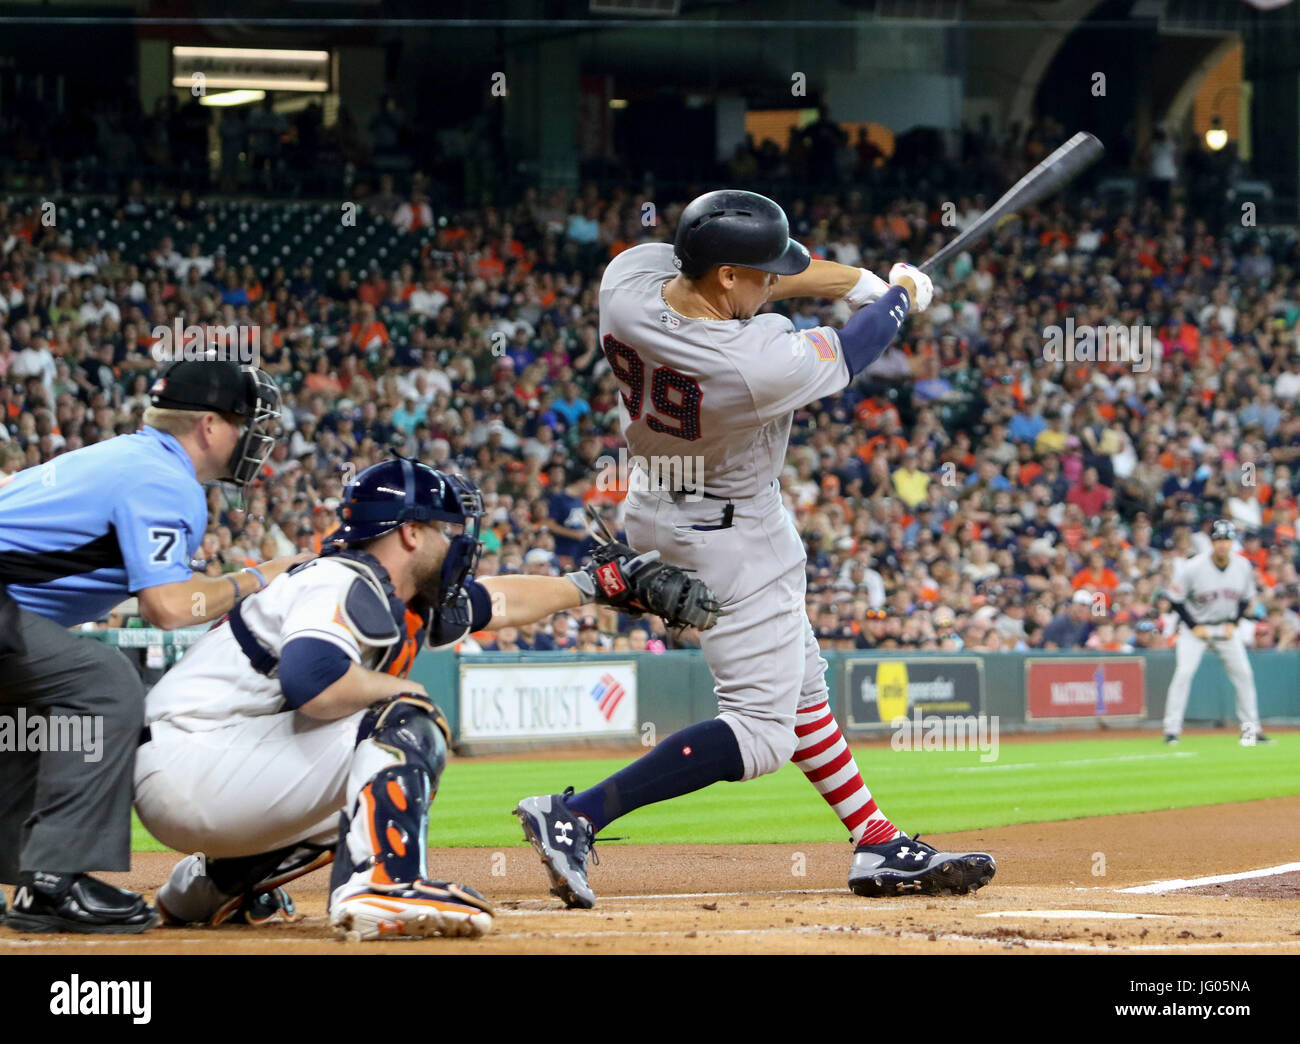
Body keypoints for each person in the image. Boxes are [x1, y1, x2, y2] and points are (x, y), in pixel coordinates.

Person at [514, 189, 995, 909]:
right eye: (761, 274)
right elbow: (855, 349)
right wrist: (895, 300)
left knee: (800, 688)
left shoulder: (627, 282)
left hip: (654, 501)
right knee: (764, 732)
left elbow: (761, 280)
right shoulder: (752, 362)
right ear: (728, 277)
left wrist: (863, 281)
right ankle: (577, 815)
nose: (774, 284)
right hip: (731, 531)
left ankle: (876, 840)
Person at [133, 456, 708, 940]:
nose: (457, 543)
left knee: (363, 787)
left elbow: (493, 602)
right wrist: (401, 693)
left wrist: (592, 586)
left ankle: (209, 888)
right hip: (197, 762)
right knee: (403, 714)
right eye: (445, 529)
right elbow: (313, 680)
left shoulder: (385, 590)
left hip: (203, 774)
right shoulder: (340, 579)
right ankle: (384, 885)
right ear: (410, 533)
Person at [0, 360, 302, 933]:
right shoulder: (162, 477)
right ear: (209, 426)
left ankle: (28, 876)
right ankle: (53, 883)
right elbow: (167, 608)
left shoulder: (127, 457)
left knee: (30, 708)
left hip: (12, 610)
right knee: (104, 685)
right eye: (245, 424)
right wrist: (257, 577)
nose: (253, 439)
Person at [1162, 519, 1269, 746]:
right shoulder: (1193, 566)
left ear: (1232, 542)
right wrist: (1193, 626)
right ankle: (1171, 730)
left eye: (1226, 540)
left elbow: (1246, 598)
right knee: (1183, 674)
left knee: (1244, 675)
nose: (1222, 544)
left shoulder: (1242, 566)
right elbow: (1176, 600)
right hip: (1195, 629)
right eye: (1218, 540)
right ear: (1211, 542)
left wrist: (1234, 622)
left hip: (1225, 627)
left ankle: (1251, 730)